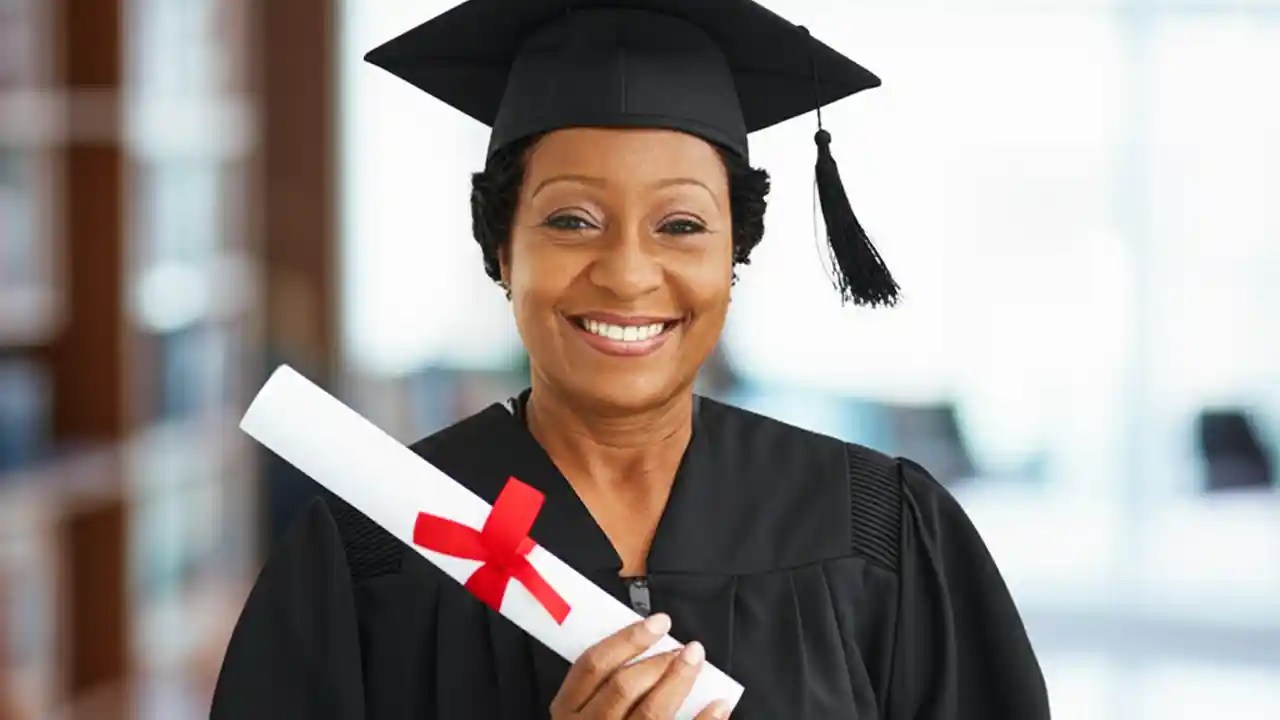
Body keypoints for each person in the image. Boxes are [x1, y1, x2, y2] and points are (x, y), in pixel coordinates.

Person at [210, 1, 1050, 718]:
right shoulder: (374, 551)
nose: (626, 272)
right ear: (501, 250)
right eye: (571, 220)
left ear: (735, 254)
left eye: (680, 225)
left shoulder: (882, 536)